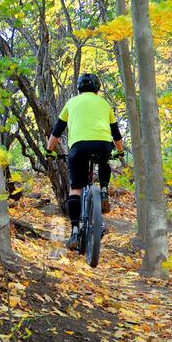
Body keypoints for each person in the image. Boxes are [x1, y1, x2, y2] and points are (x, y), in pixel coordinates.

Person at [46, 73, 125, 247]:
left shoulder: (71, 103)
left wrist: (49, 151)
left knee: (75, 188)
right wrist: (119, 151)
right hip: (103, 145)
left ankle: (74, 231)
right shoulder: (105, 104)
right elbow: (116, 133)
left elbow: (57, 131)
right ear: (97, 88)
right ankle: (103, 190)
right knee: (105, 162)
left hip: (78, 147)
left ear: (79, 88)